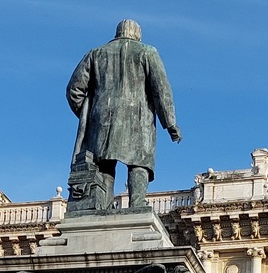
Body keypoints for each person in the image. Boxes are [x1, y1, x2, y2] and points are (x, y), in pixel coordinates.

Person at [64, 19, 181, 213]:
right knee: (139, 162)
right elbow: (161, 90)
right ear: (137, 34)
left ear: (117, 33)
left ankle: (102, 205)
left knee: (103, 166)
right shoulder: (147, 52)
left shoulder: (96, 54)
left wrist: (89, 114)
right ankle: (137, 205)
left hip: (102, 119)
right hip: (138, 118)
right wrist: (170, 123)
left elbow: (74, 89)